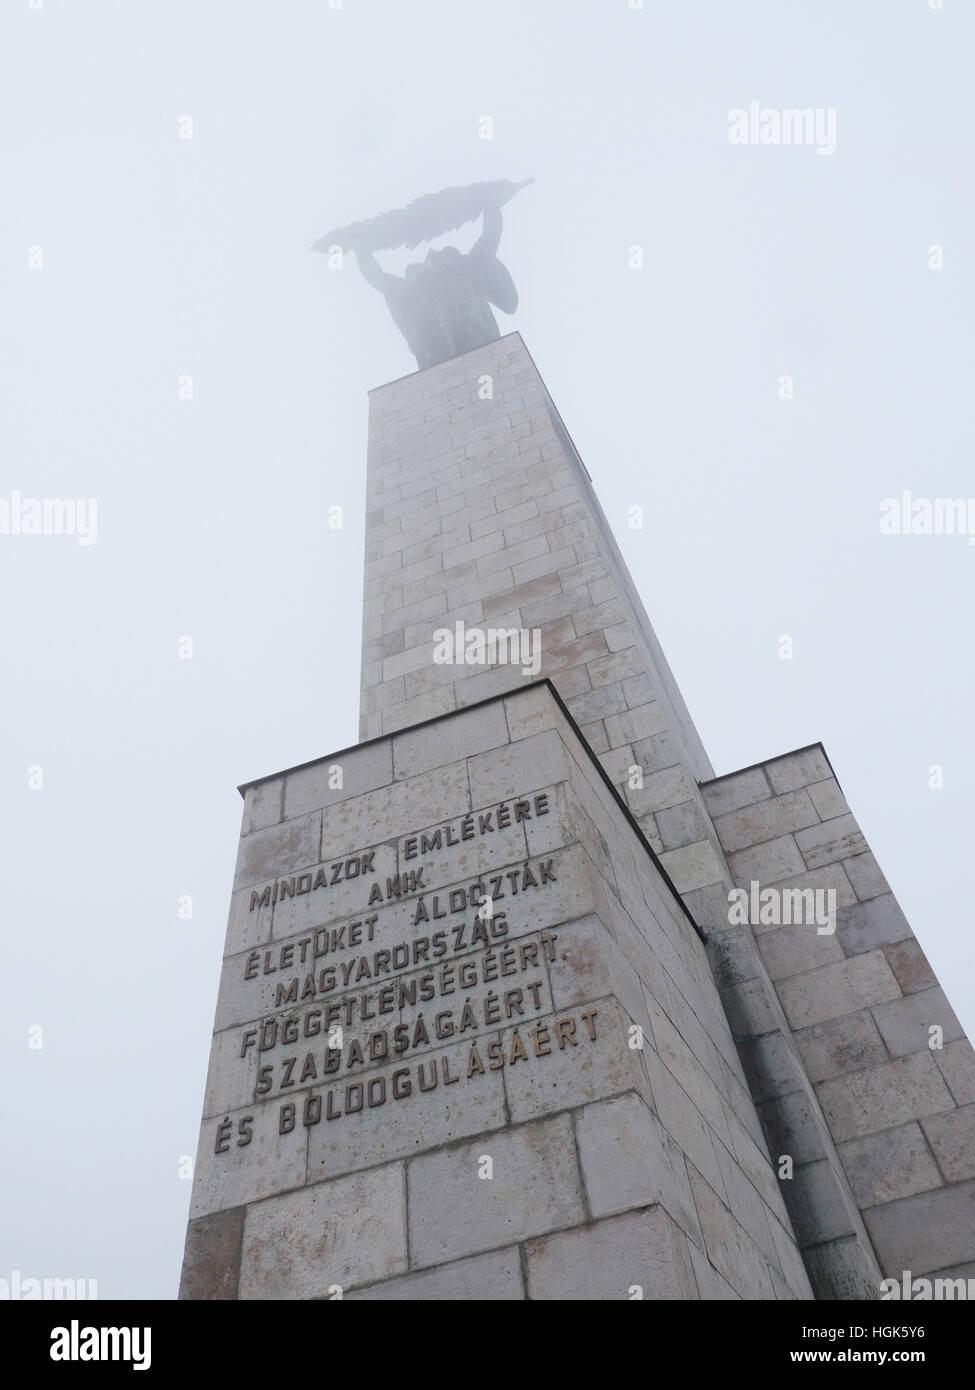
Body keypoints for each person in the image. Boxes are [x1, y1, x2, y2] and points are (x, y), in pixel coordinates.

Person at [352, 204, 518, 369]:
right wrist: (361, 250)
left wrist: (491, 204)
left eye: (437, 255)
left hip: (478, 338)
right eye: (427, 261)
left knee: (482, 361)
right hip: (435, 349)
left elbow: (490, 234)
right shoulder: (414, 288)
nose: (432, 255)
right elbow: (378, 278)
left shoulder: (465, 268)